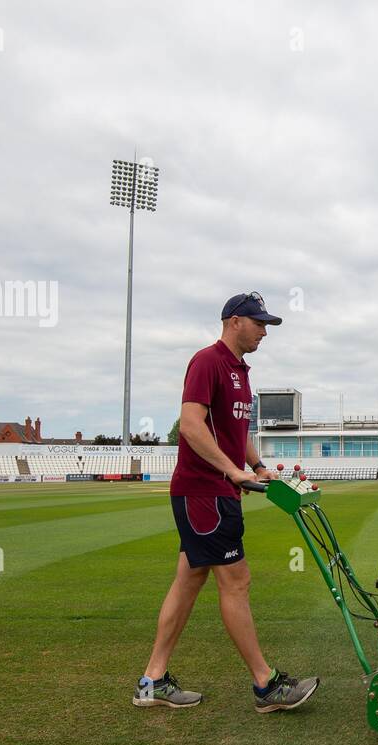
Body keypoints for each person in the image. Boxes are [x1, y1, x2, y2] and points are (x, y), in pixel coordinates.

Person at [133, 291, 319, 713]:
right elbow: (191, 426)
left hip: (216, 491)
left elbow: (238, 430)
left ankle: (152, 681)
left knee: (189, 581)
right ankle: (266, 684)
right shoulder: (208, 361)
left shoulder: (240, 371)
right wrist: (231, 470)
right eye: (259, 324)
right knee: (235, 582)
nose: (264, 332)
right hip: (205, 493)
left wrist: (256, 464)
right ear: (235, 321)